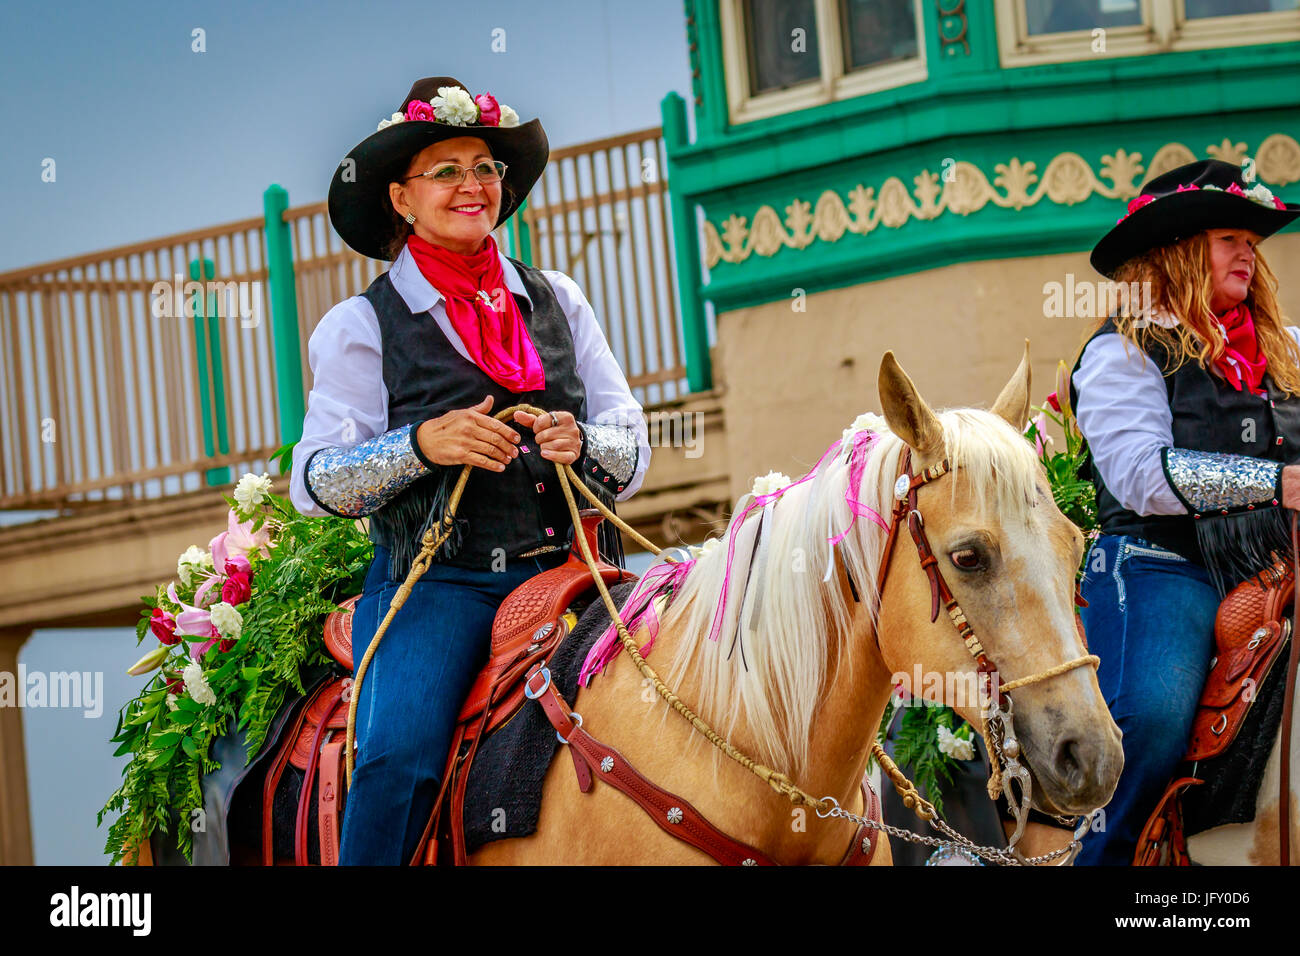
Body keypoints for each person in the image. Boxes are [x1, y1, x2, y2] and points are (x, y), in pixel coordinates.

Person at [289, 76, 650, 865]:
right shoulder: (359, 324)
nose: (472, 185)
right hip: (439, 584)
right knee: (398, 757)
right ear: (400, 199)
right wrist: (423, 446)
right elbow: (314, 483)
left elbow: (632, 443)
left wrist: (580, 441)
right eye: (445, 170)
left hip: (574, 568)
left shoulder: (559, 298)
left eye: (484, 167)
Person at [1069, 157, 1300, 865]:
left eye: (1252, 242)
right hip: (1162, 565)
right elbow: (1140, 475)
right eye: (1229, 237)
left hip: (1277, 562)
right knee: (1156, 714)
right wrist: (1275, 483)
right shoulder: (1123, 349)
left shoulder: (1287, 348)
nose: (1247, 252)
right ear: (1177, 252)